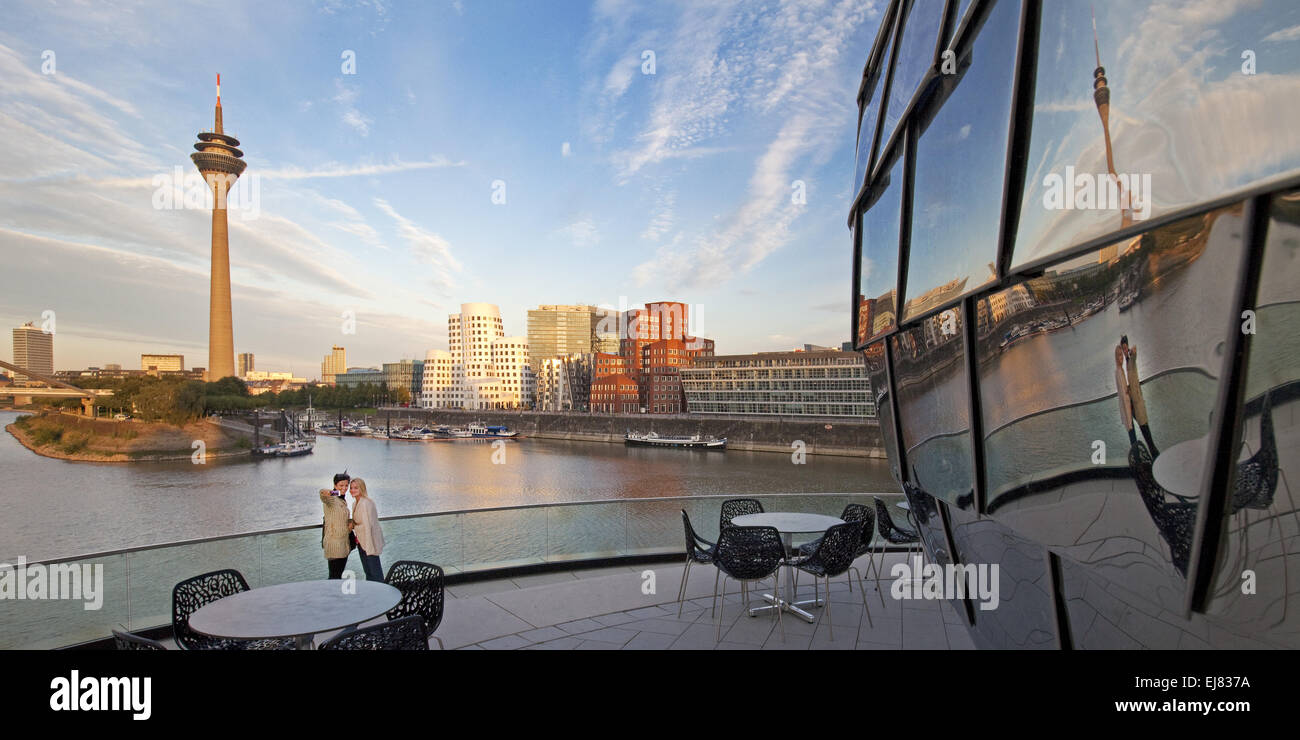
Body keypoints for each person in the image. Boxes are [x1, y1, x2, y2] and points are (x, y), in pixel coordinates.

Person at [348, 477, 386, 582]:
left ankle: (382, 594)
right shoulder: (355, 503)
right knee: (368, 571)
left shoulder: (366, 503)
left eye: (356, 488)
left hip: (370, 542)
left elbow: (369, 526)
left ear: (362, 488)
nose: (352, 490)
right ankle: (372, 594)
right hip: (361, 542)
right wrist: (333, 492)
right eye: (351, 488)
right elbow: (359, 522)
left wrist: (370, 547)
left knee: (375, 573)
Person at [320, 471, 353, 579]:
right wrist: (337, 492)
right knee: (334, 577)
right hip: (334, 544)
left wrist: (349, 525)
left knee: (338, 576)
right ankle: (331, 595)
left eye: (346, 485)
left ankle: (337, 595)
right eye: (341, 485)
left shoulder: (342, 501)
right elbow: (323, 493)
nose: (344, 488)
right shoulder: (332, 499)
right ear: (335, 485)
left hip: (343, 543)